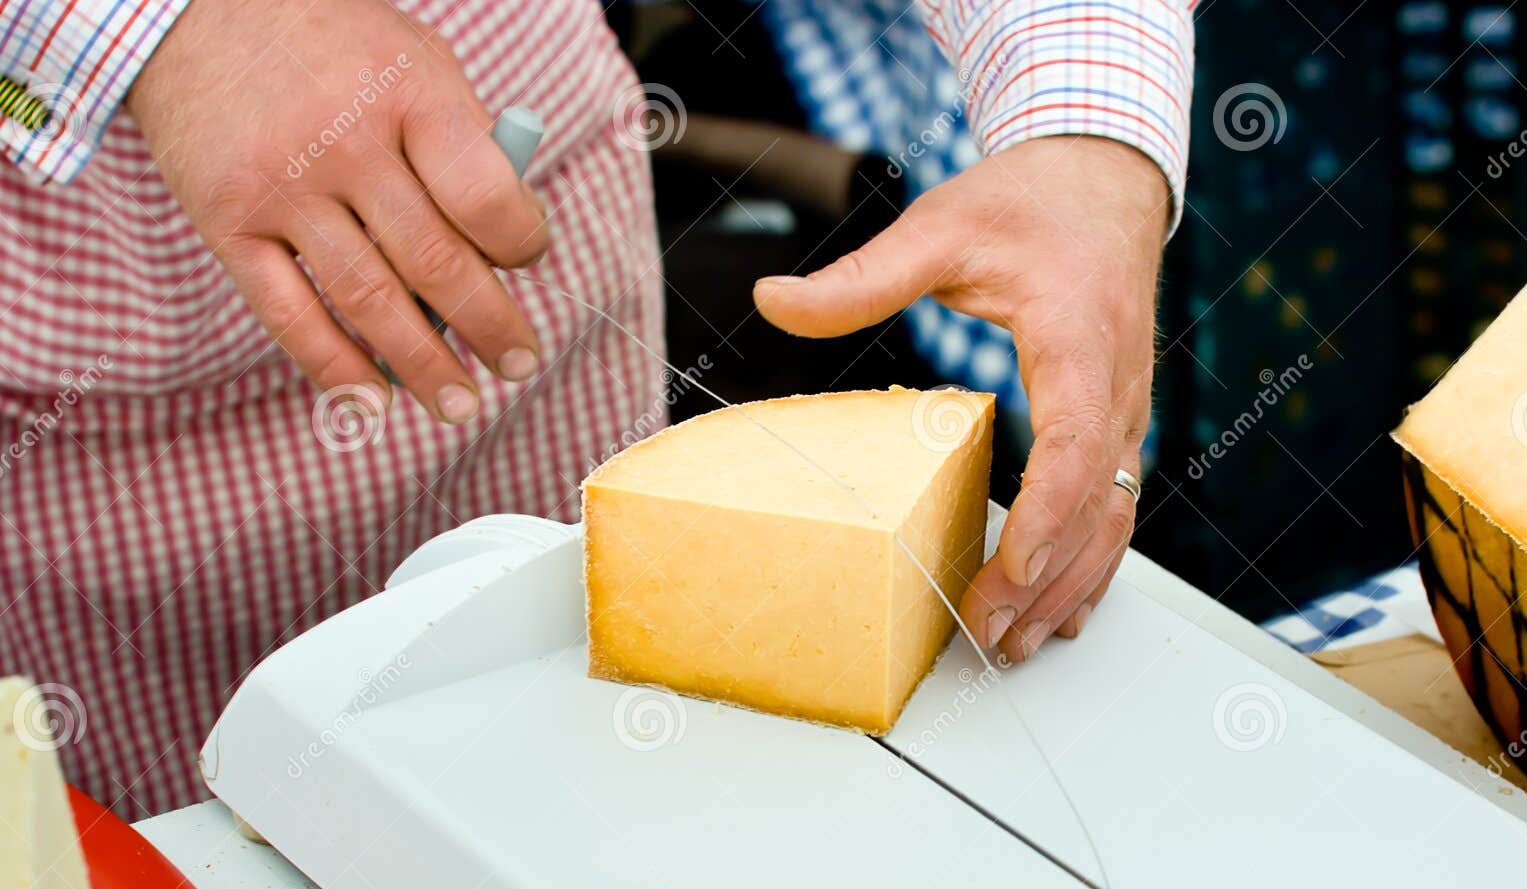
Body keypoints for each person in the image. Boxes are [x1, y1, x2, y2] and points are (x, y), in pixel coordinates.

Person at [0, 0, 1193, 817]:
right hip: (78, 406)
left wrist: (1086, 129)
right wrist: (158, 24)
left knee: (596, 816)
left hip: (536, 226)